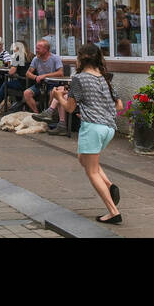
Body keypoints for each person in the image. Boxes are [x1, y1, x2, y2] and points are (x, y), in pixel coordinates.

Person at [51, 44, 124, 224]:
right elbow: (119, 105)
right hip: (108, 128)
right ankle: (109, 186)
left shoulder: (78, 78)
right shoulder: (104, 78)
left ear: (81, 59)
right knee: (83, 158)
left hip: (92, 127)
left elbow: (69, 108)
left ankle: (113, 212)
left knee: (91, 171)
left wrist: (58, 96)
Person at [0, 40, 26, 114]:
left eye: (14, 48)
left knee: (5, 85)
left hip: (23, 83)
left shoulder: (19, 56)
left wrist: (13, 69)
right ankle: (16, 105)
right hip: (30, 82)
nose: (13, 49)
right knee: (10, 83)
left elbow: (11, 72)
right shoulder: (31, 56)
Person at [23, 39, 64, 113]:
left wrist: (44, 75)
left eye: (38, 49)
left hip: (53, 84)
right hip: (40, 84)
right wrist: (35, 77)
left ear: (46, 49)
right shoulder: (36, 59)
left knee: (53, 94)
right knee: (27, 93)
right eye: (36, 48)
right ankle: (37, 113)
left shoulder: (55, 58)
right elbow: (28, 73)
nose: (36, 50)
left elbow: (60, 73)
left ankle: (49, 114)